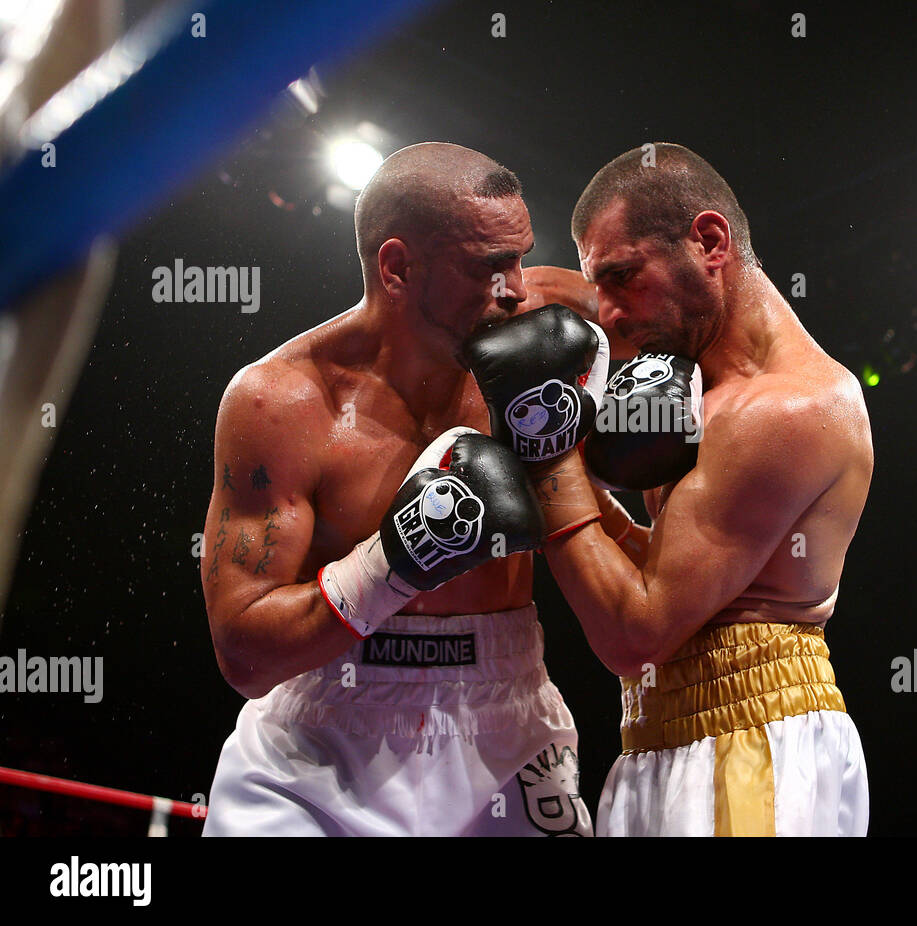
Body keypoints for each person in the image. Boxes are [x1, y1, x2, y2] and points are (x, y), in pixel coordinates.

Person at [199, 142, 611, 836]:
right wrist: (393, 563)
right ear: (396, 268)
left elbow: (693, 314)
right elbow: (242, 653)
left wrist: (623, 395)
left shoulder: (549, 313)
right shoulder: (282, 403)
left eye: (521, 255)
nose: (517, 287)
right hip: (321, 745)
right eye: (488, 266)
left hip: (507, 727)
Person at [468, 143, 873, 836]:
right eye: (601, 285)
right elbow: (662, 566)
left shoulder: (780, 410)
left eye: (624, 277)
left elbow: (636, 634)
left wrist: (544, 456)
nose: (612, 313)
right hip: (661, 737)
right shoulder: (691, 384)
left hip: (754, 745)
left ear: (711, 242)